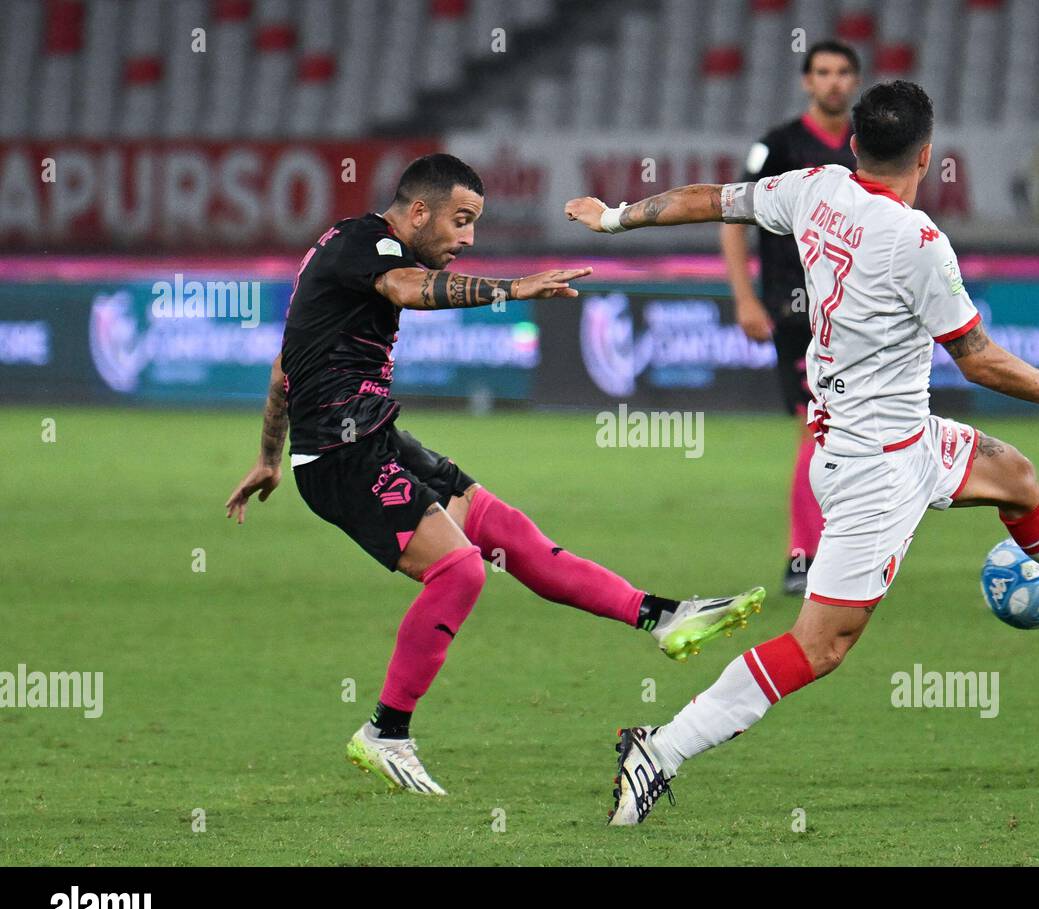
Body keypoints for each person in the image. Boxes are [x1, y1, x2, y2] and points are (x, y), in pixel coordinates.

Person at [564, 82, 1039, 825]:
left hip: (897, 435)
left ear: (853, 146)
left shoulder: (814, 190)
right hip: (874, 468)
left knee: (1014, 476)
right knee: (819, 648)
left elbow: (713, 198)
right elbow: (977, 360)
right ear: (926, 155)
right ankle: (657, 751)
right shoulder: (919, 244)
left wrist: (616, 217)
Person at [225, 154, 764, 797]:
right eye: (460, 221)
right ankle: (385, 732)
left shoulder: (344, 252)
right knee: (459, 570)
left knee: (505, 531)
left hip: (375, 437)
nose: (467, 238)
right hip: (342, 459)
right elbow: (405, 290)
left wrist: (267, 455)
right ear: (417, 212)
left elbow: (288, 365)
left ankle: (661, 616)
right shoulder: (367, 245)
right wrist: (511, 288)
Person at [721, 39, 860, 594]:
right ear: (807, 80)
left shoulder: (869, 145)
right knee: (819, 426)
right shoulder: (775, 146)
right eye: (822, 72)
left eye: (843, 72)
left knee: (856, 431)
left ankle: (849, 548)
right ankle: (802, 557)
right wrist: (745, 297)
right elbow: (732, 214)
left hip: (858, 310)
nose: (833, 82)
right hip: (797, 309)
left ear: (854, 81)